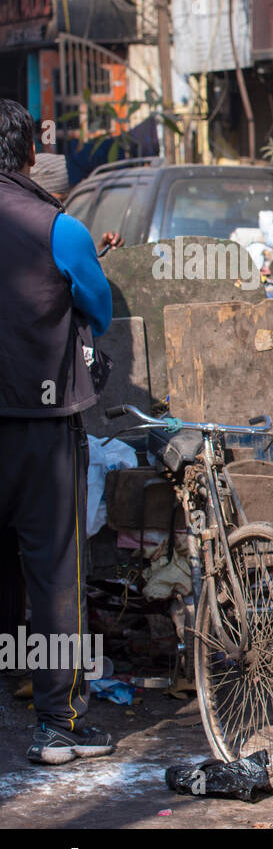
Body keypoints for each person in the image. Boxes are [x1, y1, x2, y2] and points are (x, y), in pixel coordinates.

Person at [0, 99, 115, 765]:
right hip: (41, 427)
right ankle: (58, 724)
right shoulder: (59, 227)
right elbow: (96, 307)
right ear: (26, 155)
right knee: (53, 575)